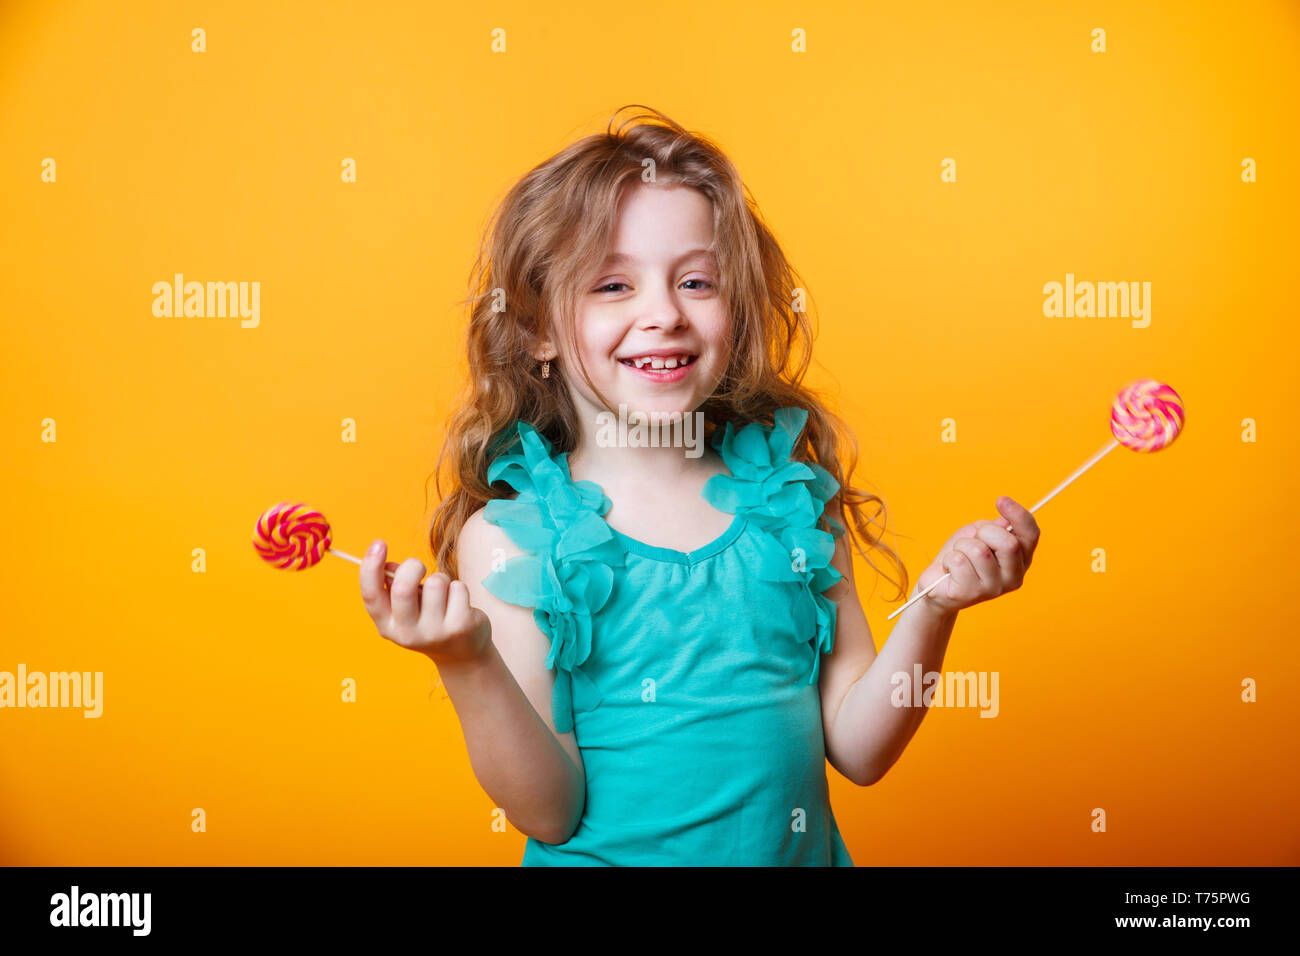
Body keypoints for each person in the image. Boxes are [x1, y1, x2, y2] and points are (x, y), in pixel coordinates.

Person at [358, 105, 1040, 866]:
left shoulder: (793, 508)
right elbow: (549, 813)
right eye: (612, 284)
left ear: (736, 313)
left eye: (696, 281)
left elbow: (860, 750)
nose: (663, 314)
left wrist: (935, 610)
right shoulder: (513, 542)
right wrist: (467, 660)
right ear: (536, 332)